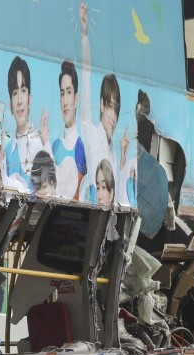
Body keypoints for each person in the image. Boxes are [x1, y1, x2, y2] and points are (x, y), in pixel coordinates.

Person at [78, 2, 124, 206]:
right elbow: (86, 77)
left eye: (117, 109)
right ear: (102, 106)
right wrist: (85, 35)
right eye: (110, 107)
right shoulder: (90, 133)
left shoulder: (112, 149)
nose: (113, 117)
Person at [0, 56, 51, 193]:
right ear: (11, 105)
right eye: (15, 93)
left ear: (30, 99)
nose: (19, 101)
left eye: (23, 90)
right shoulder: (7, 152)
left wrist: (45, 141)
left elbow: (54, 188)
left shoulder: (41, 142)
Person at [52, 60, 87, 200]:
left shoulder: (81, 147)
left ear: (76, 99)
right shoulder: (55, 146)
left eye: (69, 92)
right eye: (62, 94)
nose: (65, 101)